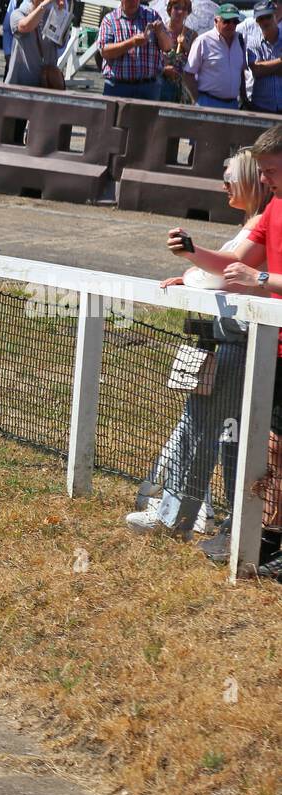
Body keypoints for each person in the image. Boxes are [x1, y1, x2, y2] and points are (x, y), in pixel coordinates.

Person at [135, 149, 272, 558]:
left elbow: (225, 277)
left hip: (240, 339)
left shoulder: (261, 224)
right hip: (230, 338)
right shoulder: (251, 224)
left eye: (230, 176)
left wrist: (196, 273)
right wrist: (193, 274)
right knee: (227, 435)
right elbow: (217, 272)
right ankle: (226, 520)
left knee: (202, 426)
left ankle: (174, 516)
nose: (224, 184)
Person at [98, 0, 172, 100]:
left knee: (147, 116)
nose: (133, 1)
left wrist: (160, 33)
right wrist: (132, 43)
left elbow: (167, 47)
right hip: (117, 86)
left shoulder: (152, 15)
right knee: (115, 116)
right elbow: (104, 51)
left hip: (149, 87)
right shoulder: (110, 19)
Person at [185, 5, 247, 109]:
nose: (231, 25)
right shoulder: (203, 41)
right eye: (226, 21)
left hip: (233, 105)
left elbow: (241, 72)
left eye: (235, 21)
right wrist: (197, 100)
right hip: (208, 102)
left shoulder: (240, 40)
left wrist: (244, 98)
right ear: (216, 21)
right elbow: (188, 73)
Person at [4, 0, 69, 88]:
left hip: (46, 84)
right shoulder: (18, 14)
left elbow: (61, 44)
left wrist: (61, 14)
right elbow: (24, 26)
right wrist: (43, 5)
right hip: (20, 85)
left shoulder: (53, 16)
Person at [159, 0, 198, 104]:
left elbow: (196, 62)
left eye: (184, 9)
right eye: (176, 8)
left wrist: (185, 46)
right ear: (169, 10)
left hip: (183, 87)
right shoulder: (160, 31)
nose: (180, 12)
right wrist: (163, 69)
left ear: (187, 13)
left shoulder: (192, 35)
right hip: (162, 83)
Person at [247, 1, 282, 112]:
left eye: (268, 16)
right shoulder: (253, 42)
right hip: (262, 106)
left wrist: (265, 67)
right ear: (257, 21)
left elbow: (261, 69)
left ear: (275, 16)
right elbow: (257, 71)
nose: (265, 21)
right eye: (261, 18)